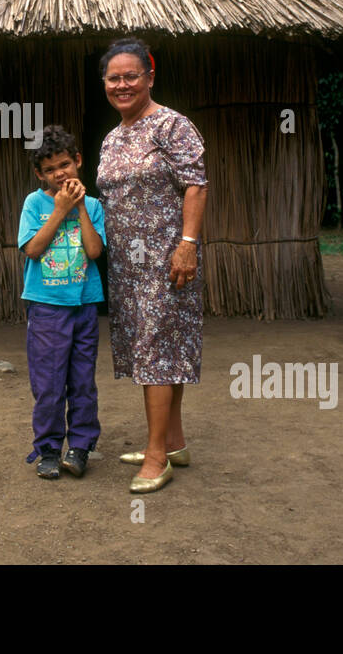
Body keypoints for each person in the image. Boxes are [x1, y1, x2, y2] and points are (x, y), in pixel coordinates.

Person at [95, 38, 207, 493]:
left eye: (130, 76)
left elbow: (196, 186)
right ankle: (173, 441)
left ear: (149, 77)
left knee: (157, 354)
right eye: (113, 78)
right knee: (157, 350)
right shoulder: (113, 137)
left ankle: (157, 456)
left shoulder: (171, 126)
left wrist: (187, 245)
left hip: (165, 261)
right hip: (127, 266)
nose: (122, 85)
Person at [17, 125, 106, 480]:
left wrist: (80, 207)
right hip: (46, 307)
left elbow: (95, 251)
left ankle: (80, 447)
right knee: (49, 381)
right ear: (40, 174)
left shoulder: (95, 205)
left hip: (84, 306)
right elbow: (33, 250)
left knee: (82, 380)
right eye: (51, 169)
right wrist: (59, 210)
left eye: (65, 165)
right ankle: (49, 449)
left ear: (78, 162)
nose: (60, 174)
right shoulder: (33, 203)